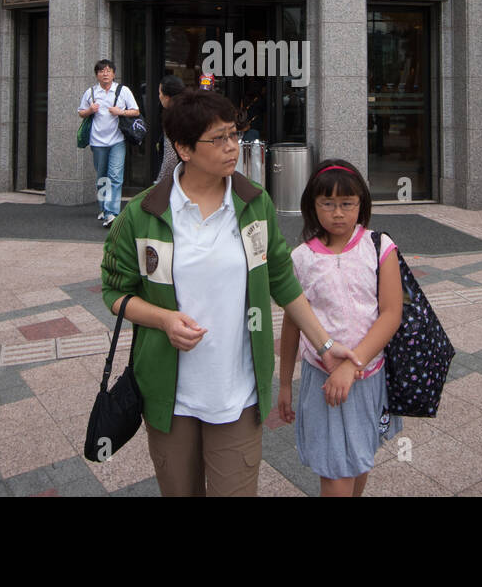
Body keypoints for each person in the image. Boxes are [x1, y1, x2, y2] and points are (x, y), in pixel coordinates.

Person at [100, 89, 362, 496]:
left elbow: (283, 280)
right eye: (218, 139)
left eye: (233, 135)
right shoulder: (144, 214)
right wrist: (164, 319)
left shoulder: (254, 204)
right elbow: (115, 292)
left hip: (237, 394)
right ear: (184, 150)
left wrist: (325, 344)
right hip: (169, 398)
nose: (231, 148)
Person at [278, 160, 403, 497]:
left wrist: (352, 364)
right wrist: (286, 384)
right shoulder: (301, 258)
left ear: (361, 204)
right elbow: (292, 322)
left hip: (368, 376)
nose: (338, 213)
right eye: (327, 203)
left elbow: (391, 313)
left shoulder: (379, 246)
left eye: (347, 203)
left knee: (360, 458)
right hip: (322, 380)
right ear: (311, 206)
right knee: (336, 469)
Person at [77, 59, 140, 227]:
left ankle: (112, 212)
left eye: (108, 70)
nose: (105, 73)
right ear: (97, 75)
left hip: (117, 140)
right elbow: (81, 113)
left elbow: (136, 111)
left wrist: (121, 112)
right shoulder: (91, 92)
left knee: (115, 176)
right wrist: (90, 110)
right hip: (97, 141)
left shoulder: (123, 91)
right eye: (101, 71)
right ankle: (104, 209)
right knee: (102, 177)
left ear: (113, 74)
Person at [154, 74, 185, 185]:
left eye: (160, 93)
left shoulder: (173, 118)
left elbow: (170, 157)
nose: (159, 96)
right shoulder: (191, 110)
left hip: (184, 177)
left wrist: (160, 184)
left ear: (167, 97)